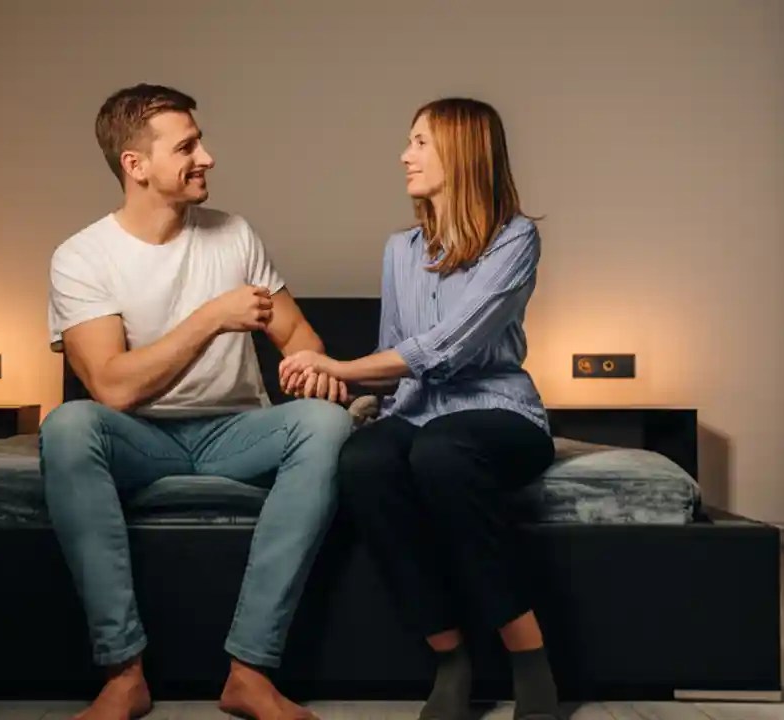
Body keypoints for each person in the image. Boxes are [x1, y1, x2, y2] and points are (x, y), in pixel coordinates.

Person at [42, 83, 353, 720]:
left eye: (200, 141)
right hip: (139, 436)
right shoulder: (82, 257)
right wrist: (212, 318)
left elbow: (301, 338)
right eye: (187, 146)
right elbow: (112, 386)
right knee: (69, 426)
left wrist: (309, 369)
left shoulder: (234, 235)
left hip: (237, 433)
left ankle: (251, 672)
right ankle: (123, 673)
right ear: (137, 166)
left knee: (325, 424)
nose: (206, 156)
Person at [278, 98, 560, 720]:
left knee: (443, 453)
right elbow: (393, 351)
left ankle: (530, 659)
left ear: (462, 152)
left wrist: (340, 365)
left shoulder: (516, 239)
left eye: (420, 143)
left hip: (500, 412)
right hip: (416, 413)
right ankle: (451, 656)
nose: (405, 156)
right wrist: (345, 393)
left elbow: (446, 346)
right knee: (364, 463)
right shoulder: (400, 249)